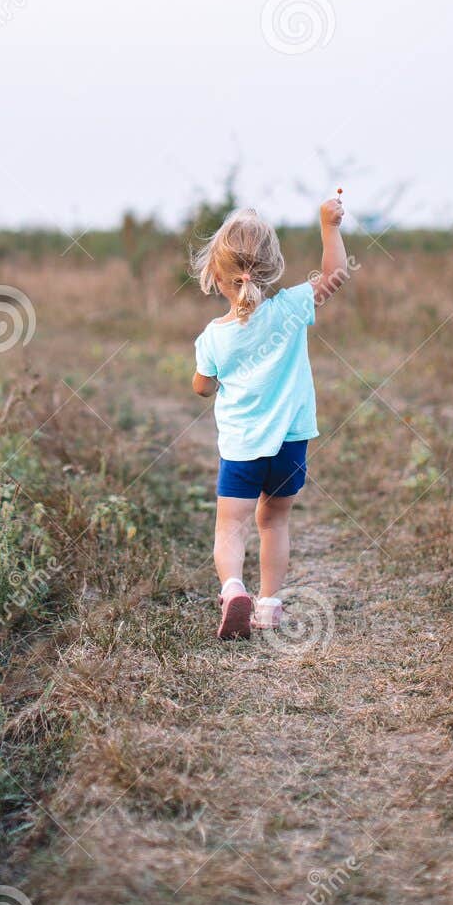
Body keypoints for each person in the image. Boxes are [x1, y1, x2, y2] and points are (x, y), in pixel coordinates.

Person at [191, 194, 348, 640]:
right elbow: (335, 274)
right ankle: (269, 606)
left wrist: (214, 382)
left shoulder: (214, 338)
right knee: (274, 521)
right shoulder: (291, 308)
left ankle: (233, 588)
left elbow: (202, 385)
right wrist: (329, 226)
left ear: (217, 275)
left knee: (231, 527)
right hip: (291, 445)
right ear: (271, 267)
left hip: (242, 449)